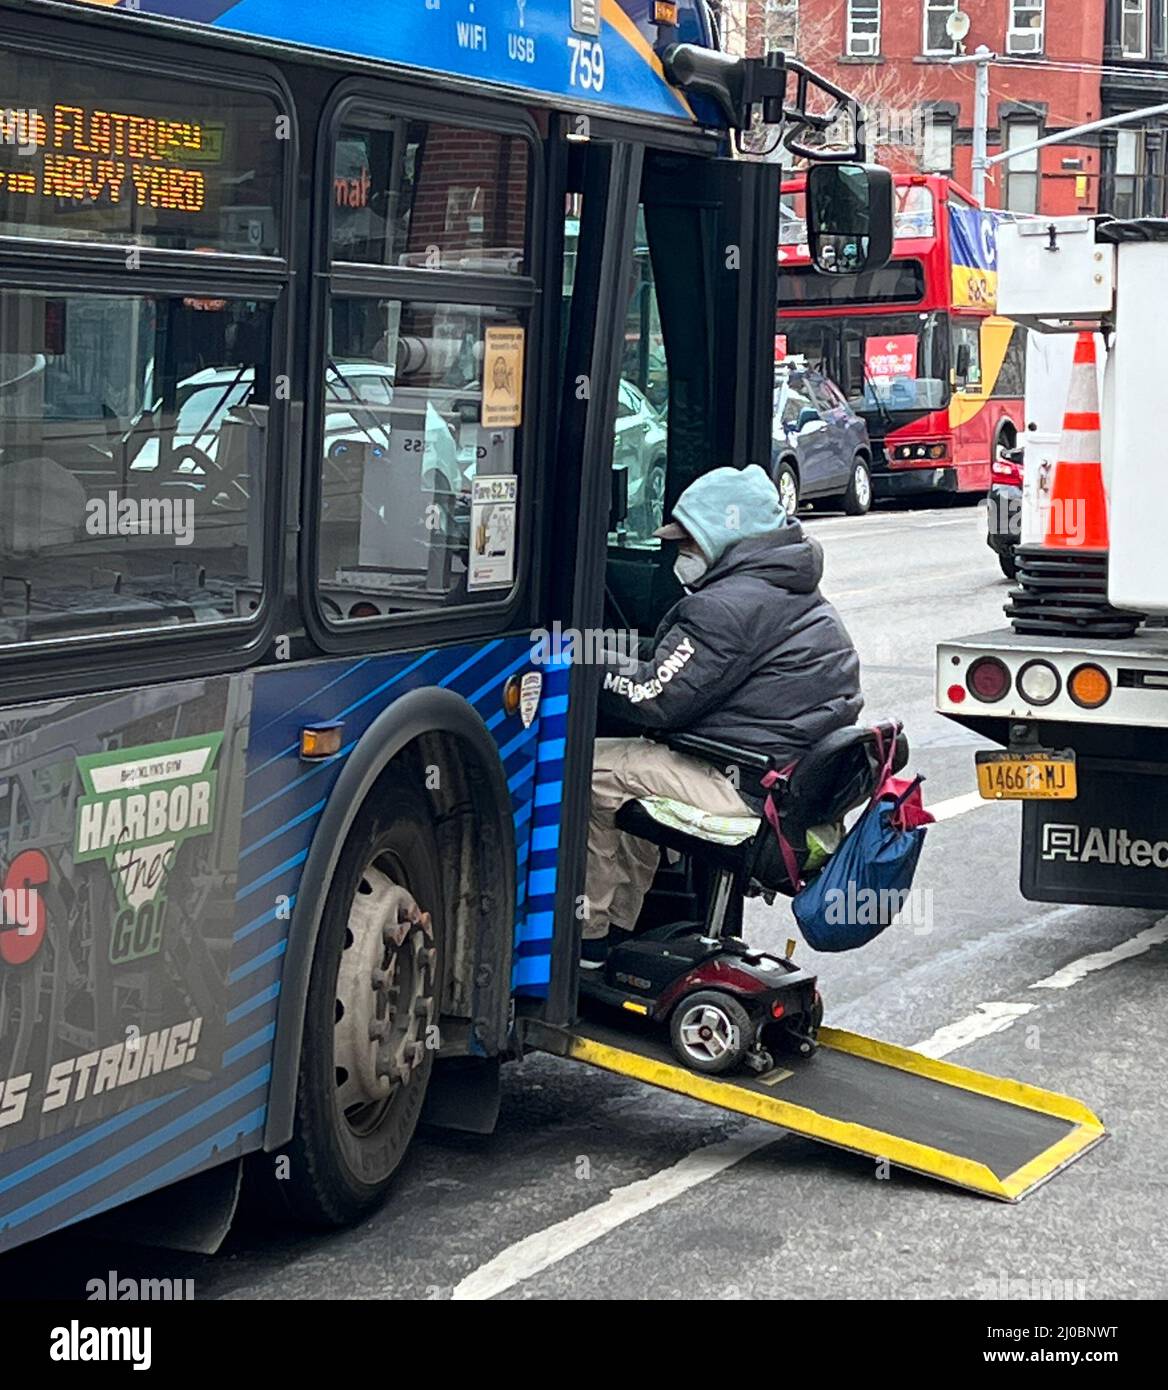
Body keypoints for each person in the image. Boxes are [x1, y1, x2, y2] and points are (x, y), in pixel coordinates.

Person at [583, 463, 862, 965]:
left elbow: (653, 695)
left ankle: (589, 934)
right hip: (788, 790)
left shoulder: (727, 606)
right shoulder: (791, 590)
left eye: (687, 543)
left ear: (722, 538)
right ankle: (616, 929)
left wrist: (581, 664)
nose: (680, 554)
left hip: (747, 789)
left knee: (588, 772)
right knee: (635, 772)